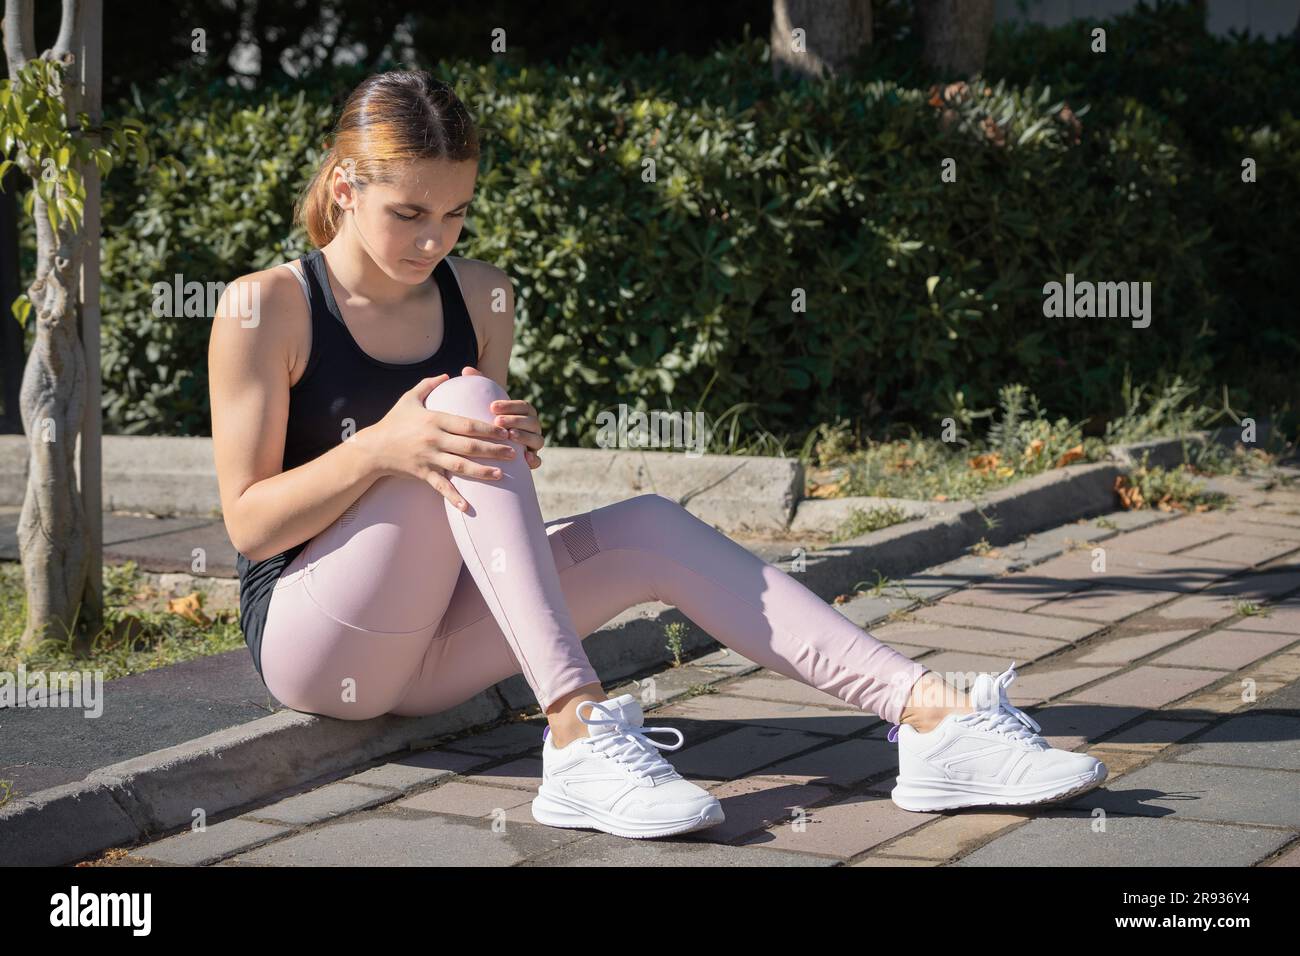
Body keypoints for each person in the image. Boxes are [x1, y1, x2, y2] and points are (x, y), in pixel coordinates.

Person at [207, 69, 1107, 841]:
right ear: (341, 188)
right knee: (459, 407)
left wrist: (510, 449)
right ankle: (578, 730)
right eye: (408, 212)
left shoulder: (482, 297)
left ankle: (931, 720)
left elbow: (475, 503)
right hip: (316, 645)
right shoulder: (268, 307)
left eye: (455, 212)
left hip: (434, 647)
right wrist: (386, 453)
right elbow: (248, 524)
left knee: (644, 525)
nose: (436, 239)